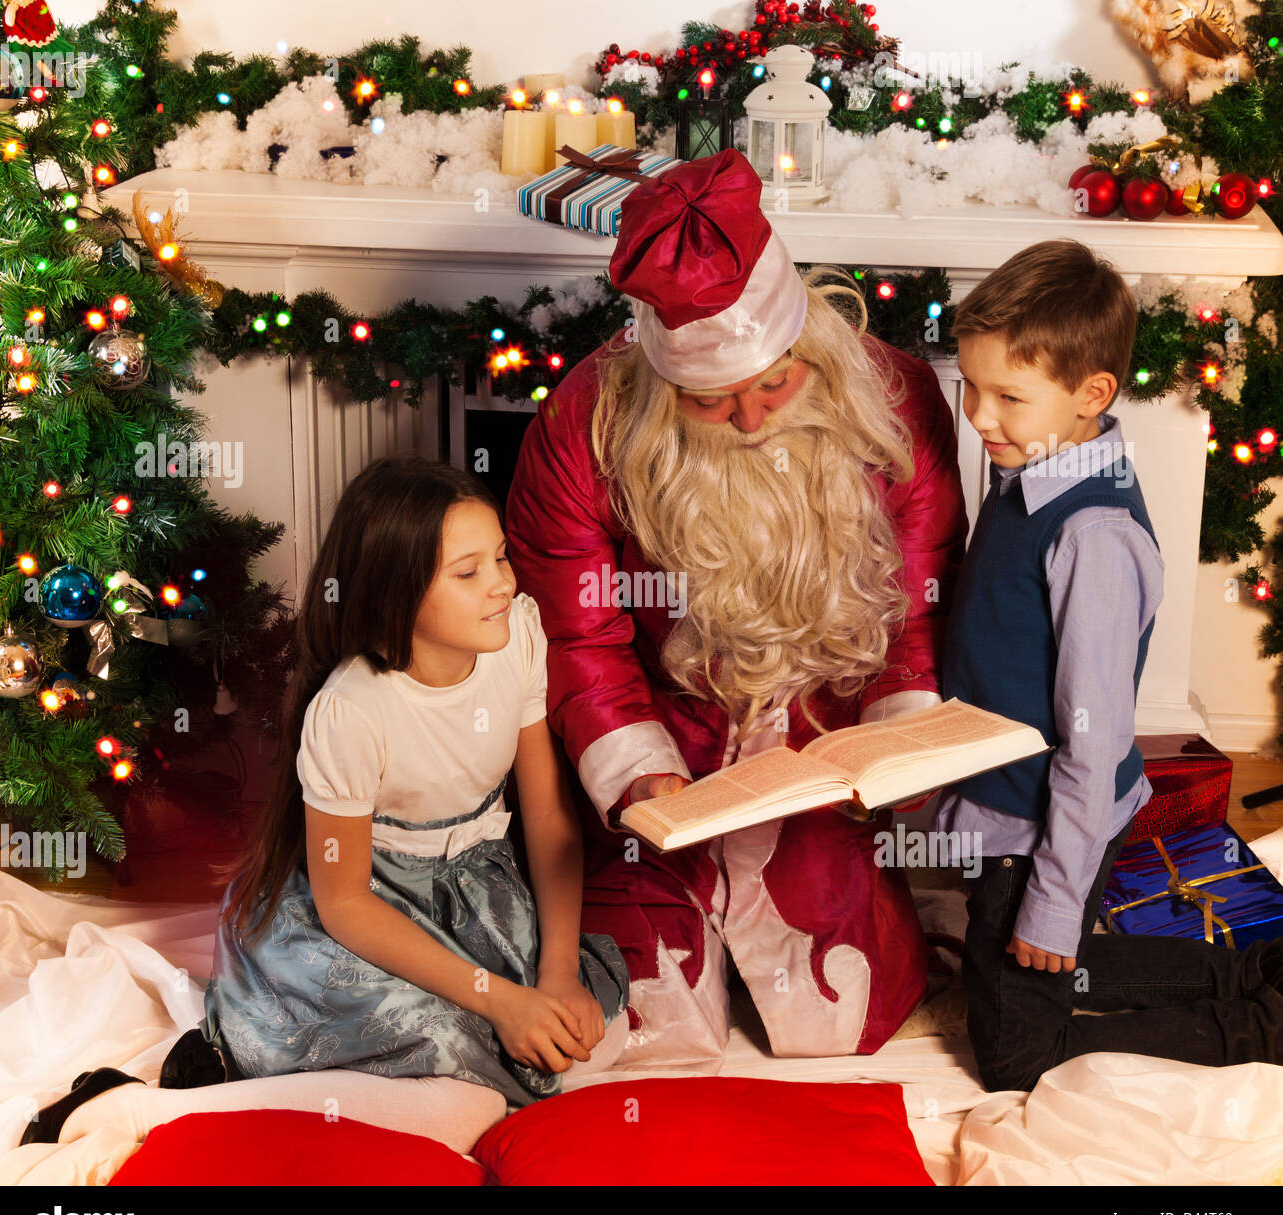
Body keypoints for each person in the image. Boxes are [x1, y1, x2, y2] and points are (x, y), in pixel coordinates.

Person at [21, 456, 630, 1154]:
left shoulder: (517, 634)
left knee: (585, 1045)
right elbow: (345, 905)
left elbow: (549, 820)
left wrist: (554, 975)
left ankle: (261, 1078)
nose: (502, 583)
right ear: (395, 596)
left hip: (474, 893)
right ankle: (137, 1111)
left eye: (499, 557)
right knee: (469, 1103)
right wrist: (497, 997)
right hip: (362, 912)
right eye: (469, 573)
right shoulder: (352, 710)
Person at [505, 148, 968, 1065]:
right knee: (648, 1040)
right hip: (667, 742)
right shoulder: (584, 424)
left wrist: (899, 738)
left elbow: (917, 603)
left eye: (775, 384)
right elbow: (577, 629)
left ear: (810, 346)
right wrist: (637, 770)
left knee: (835, 1021)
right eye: (713, 402)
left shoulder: (897, 400)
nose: (753, 421)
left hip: (818, 755)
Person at [932, 237, 1283, 1093]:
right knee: (1027, 971)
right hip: (1012, 805)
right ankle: (1241, 972)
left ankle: (1255, 1023)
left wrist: (1051, 901)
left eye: (1008, 396)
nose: (979, 416)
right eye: (971, 387)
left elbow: (1089, 747)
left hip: (1052, 818)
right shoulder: (1033, 463)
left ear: (1092, 396)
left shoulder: (1092, 537)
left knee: (1018, 1054)